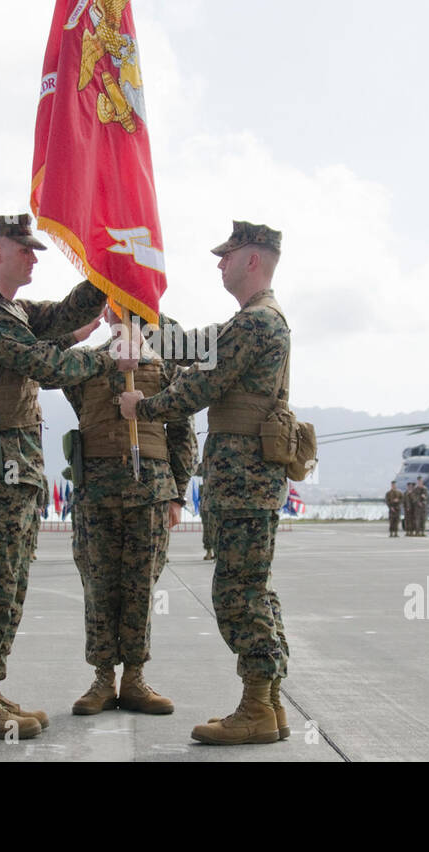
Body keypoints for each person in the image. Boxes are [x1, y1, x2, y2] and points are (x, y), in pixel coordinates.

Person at [0, 213, 122, 741]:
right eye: (25, 248)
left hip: (12, 468)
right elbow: (47, 367)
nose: (35, 257)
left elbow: (66, 313)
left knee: (10, 581)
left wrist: (105, 276)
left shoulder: (12, 310)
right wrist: (107, 360)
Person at [120, 220, 292, 746]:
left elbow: (200, 382)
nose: (220, 263)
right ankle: (270, 705)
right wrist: (141, 313)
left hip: (244, 481)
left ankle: (257, 707)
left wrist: (142, 405)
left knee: (239, 593)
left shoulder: (257, 323)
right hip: (246, 480)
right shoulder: (253, 322)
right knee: (253, 589)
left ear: (253, 261)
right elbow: (193, 343)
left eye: (228, 255)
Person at [62, 304, 196, 717]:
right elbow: (50, 369)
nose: (123, 318)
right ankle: (103, 678)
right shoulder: (85, 365)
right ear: (104, 315)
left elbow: (182, 431)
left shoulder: (164, 369)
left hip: (150, 492)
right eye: (115, 310)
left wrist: (178, 494)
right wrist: (75, 332)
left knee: (140, 587)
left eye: (132, 310)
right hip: (96, 493)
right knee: (98, 586)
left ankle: (134, 678)